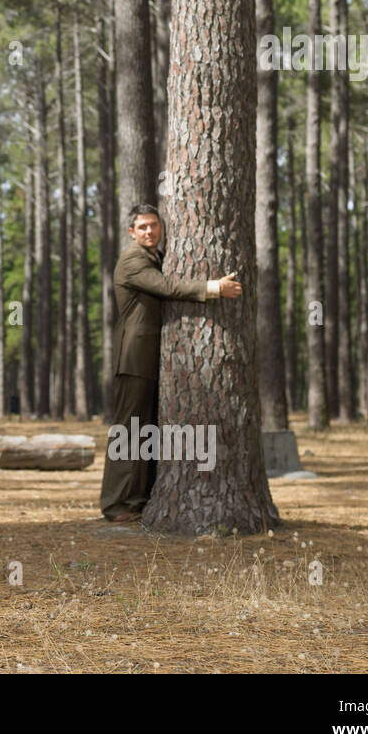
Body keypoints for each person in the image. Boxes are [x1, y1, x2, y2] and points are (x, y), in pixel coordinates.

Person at [100, 204, 241, 522]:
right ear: (132, 233)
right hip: (134, 358)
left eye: (154, 225)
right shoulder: (133, 259)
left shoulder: (157, 258)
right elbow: (167, 287)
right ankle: (114, 504)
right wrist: (213, 287)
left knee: (146, 430)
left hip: (150, 359)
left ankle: (137, 498)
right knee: (128, 430)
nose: (149, 231)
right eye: (143, 227)